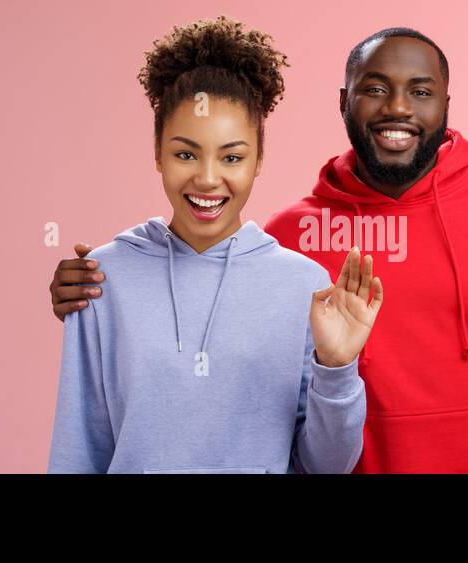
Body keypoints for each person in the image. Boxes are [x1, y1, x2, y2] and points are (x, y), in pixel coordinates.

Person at [51, 27, 468, 473]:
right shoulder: (290, 238)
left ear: (446, 104)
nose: (397, 109)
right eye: (375, 90)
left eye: (420, 91)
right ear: (343, 102)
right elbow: (204, 321)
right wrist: (101, 282)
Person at [47, 17, 382, 474]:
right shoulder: (101, 278)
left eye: (232, 156)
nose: (207, 178)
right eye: (185, 153)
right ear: (157, 151)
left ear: (258, 159)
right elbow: (79, 446)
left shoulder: (305, 285)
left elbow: (327, 466)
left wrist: (337, 367)